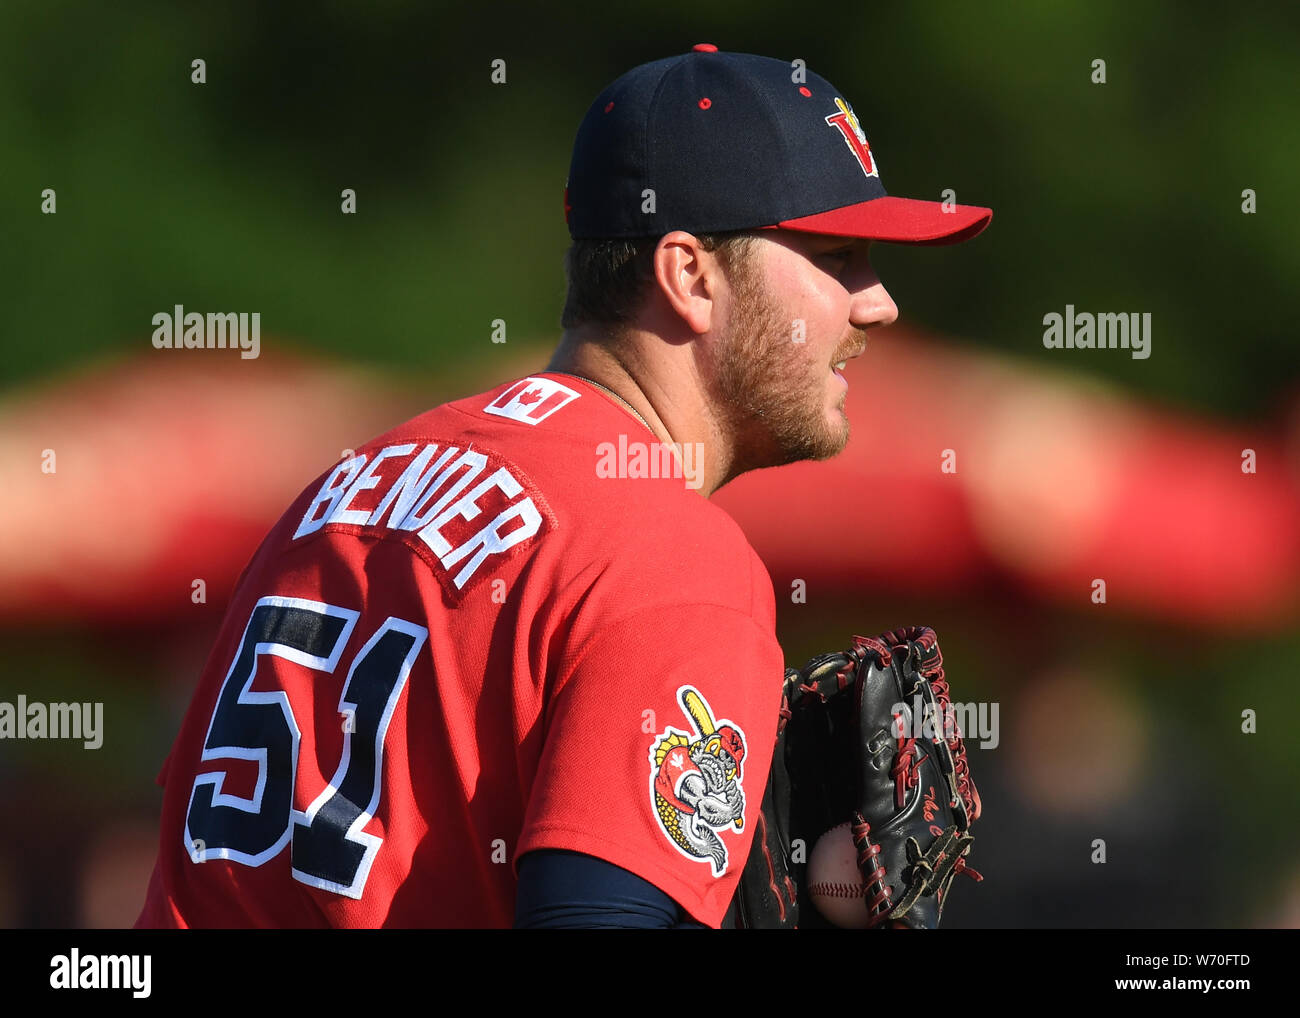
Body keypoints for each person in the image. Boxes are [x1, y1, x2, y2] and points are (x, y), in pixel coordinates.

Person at [135, 44, 990, 930]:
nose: (878, 301)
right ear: (690, 275)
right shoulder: (667, 559)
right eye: (836, 253)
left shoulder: (341, 492)